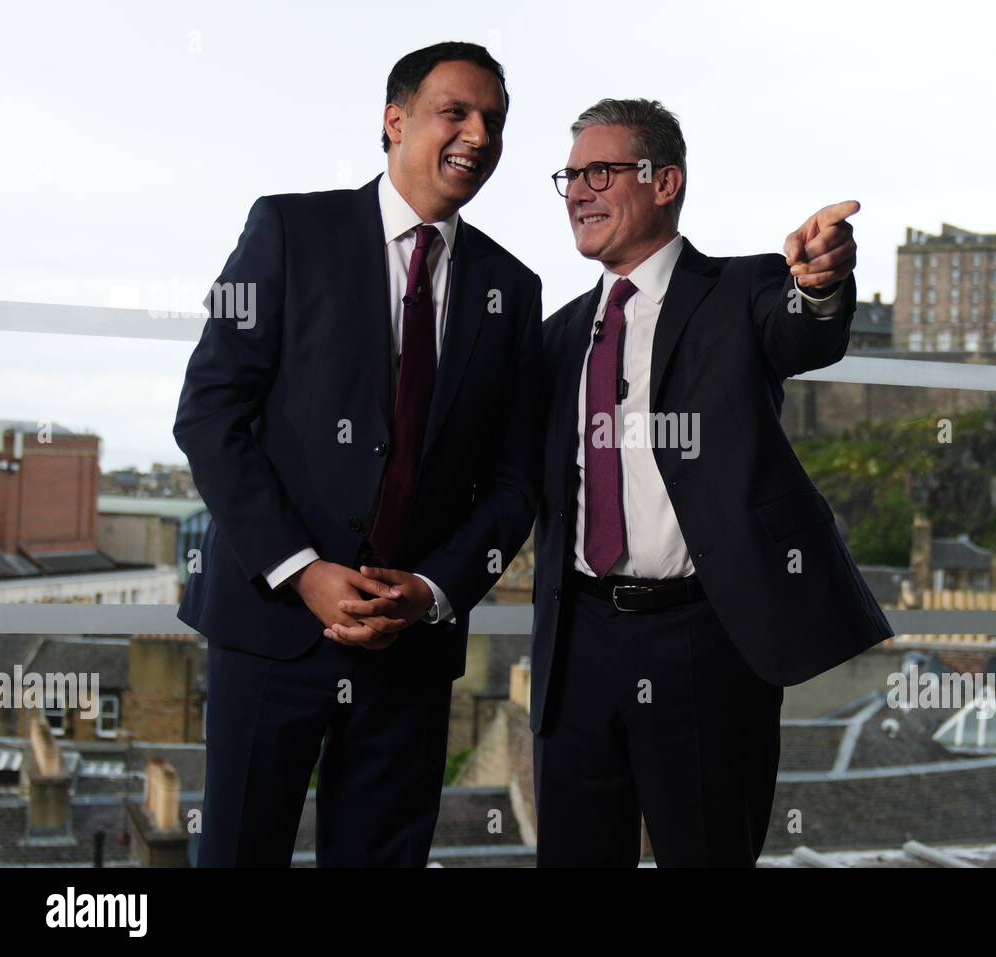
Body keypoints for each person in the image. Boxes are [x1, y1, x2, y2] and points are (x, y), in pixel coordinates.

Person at [174, 42, 541, 866]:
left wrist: (432, 591)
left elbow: (513, 481)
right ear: (394, 120)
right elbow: (209, 413)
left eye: (494, 121)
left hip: (411, 647)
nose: (479, 135)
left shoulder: (512, 289)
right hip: (271, 626)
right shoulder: (287, 229)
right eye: (456, 112)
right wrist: (304, 571)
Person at [531, 98, 894, 867]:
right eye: (570, 175)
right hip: (579, 642)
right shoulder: (558, 337)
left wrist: (819, 281)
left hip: (705, 640)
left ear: (664, 182)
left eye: (600, 172)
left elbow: (804, 326)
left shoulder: (741, 289)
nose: (578, 191)